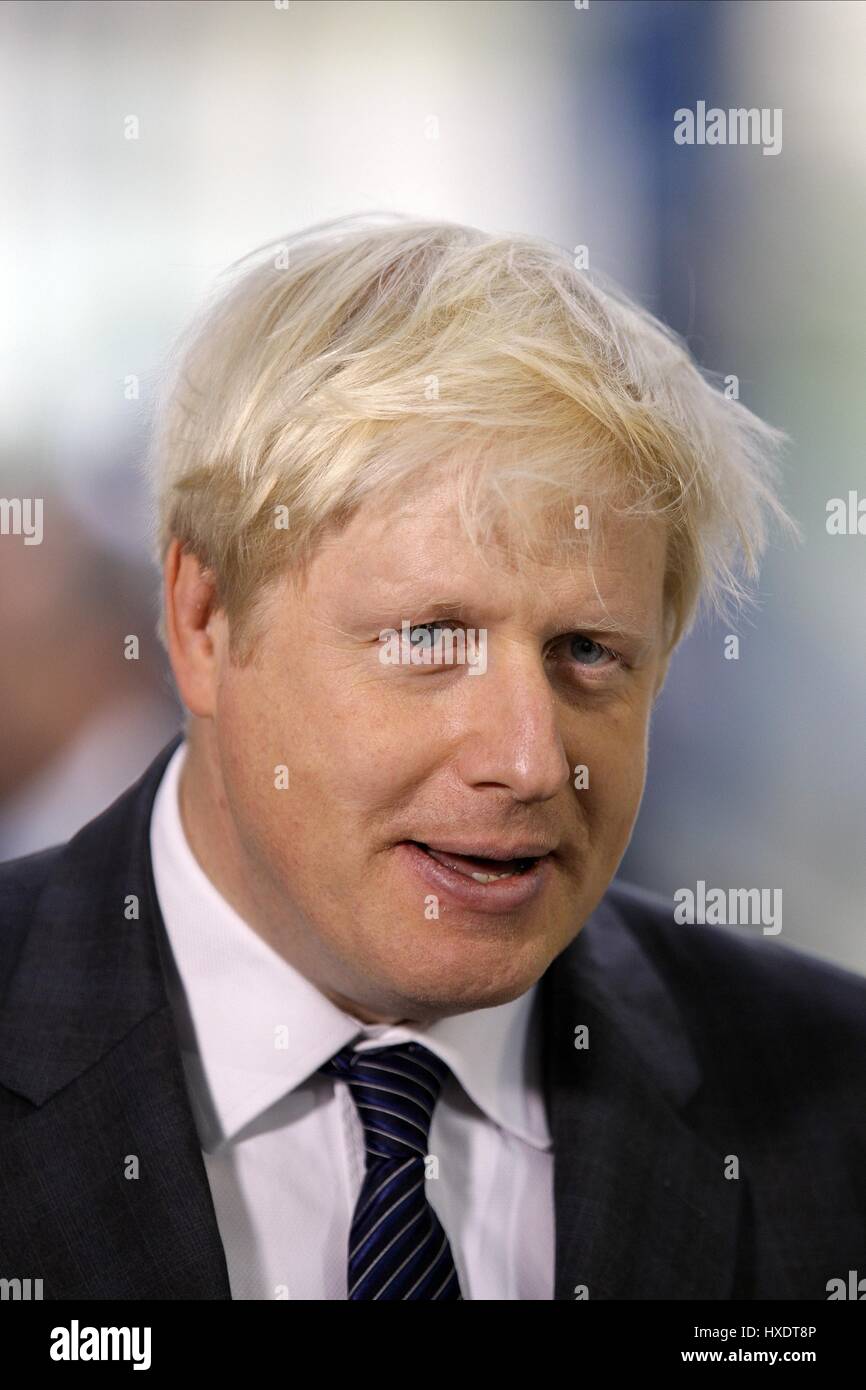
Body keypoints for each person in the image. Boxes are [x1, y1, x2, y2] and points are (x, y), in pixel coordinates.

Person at [1, 215, 864, 1301]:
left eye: (587, 651)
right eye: (427, 639)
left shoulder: (831, 1106)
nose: (529, 758)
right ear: (204, 619)